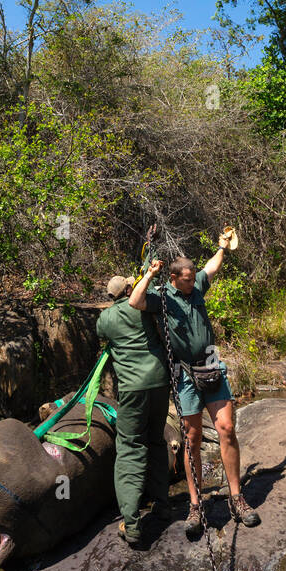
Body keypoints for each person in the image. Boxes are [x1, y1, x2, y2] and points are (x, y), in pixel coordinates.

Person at [129, 232, 260, 534]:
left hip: (212, 365)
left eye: (193, 278)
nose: (193, 282)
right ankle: (195, 505)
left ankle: (237, 498)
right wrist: (149, 275)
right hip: (185, 375)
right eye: (187, 279)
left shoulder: (198, 285)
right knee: (192, 440)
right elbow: (135, 300)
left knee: (226, 428)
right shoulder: (161, 297)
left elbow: (212, 268)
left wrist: (222, 248)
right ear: (174, 278)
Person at [97, 233, 171, 547]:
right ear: (128, 290)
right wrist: (150, 248)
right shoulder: (144, 305)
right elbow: (147, 279)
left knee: (129, 450)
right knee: (155, 440)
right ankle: (163, 504)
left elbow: (105, 338)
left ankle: (133, 523)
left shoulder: (105, 319)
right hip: (159, 383)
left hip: (132, 390)